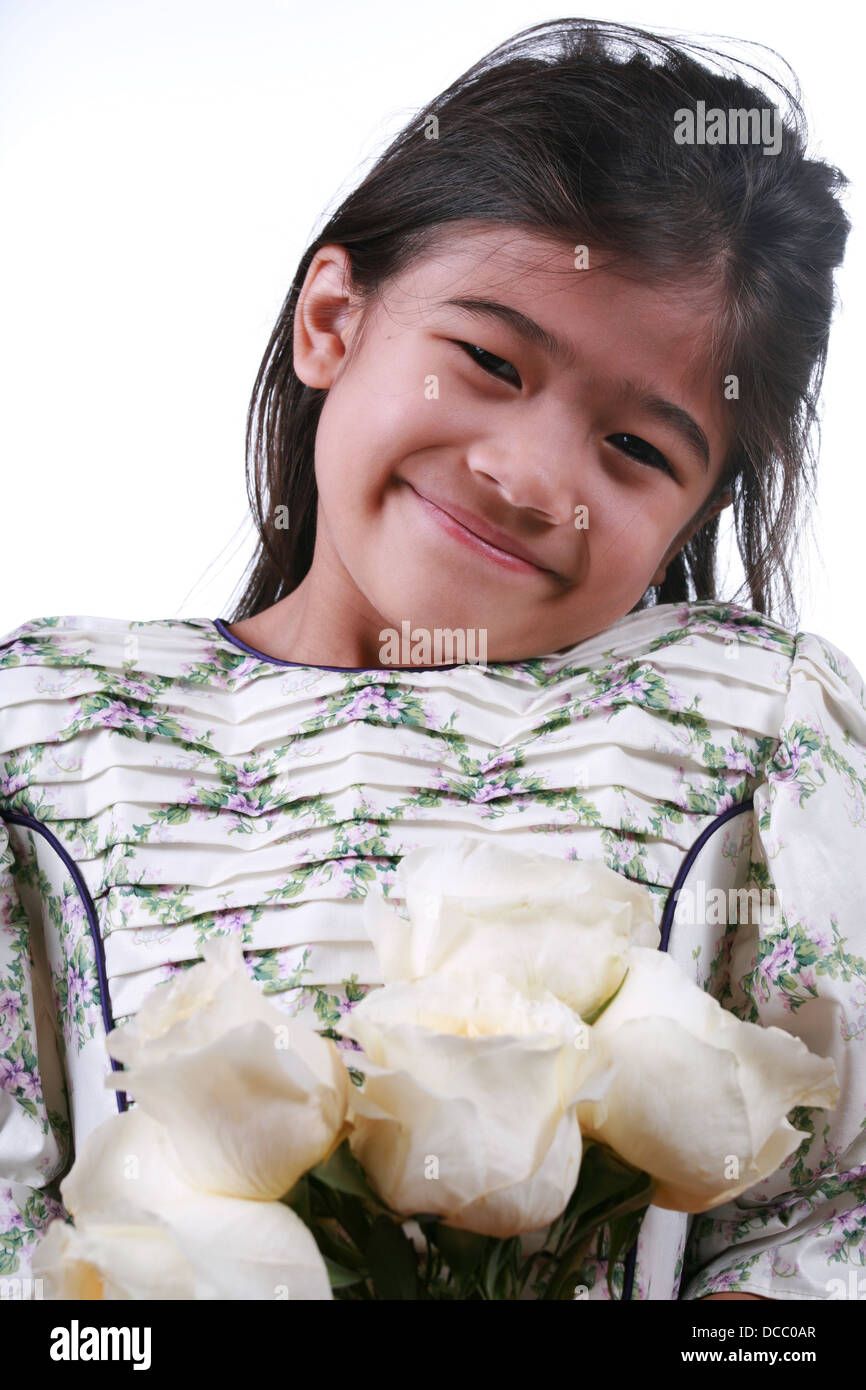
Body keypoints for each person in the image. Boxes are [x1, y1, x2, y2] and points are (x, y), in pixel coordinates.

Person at [2, 17, 864, 1301]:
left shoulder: (747, 725)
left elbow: (830, 1215)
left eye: (636, 451)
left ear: (695, 513)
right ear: (332, 321)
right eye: (488, 360)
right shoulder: (56, 724)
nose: (529, 477)